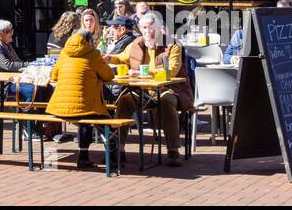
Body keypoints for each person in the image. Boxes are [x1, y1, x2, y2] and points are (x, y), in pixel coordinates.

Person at [113, 13, 193, 167]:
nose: (146, 32)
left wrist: (143, 73)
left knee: (166, 101)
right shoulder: (137, 43)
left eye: (150, 28)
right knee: (124, 101)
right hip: (143, 90)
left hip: (170, 88)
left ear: (159, 29)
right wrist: (106, 58)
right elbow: (121, 57)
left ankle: (173, 150)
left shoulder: (173, 45)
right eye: (143, 28)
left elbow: (173, 70)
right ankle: (119, 149)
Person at [45, 29, 115, 168]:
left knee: (84, 121)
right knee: (107, 121)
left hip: (59, 108)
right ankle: (113, 158)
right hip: (86, 107)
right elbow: (108, 76)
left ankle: (83, 157)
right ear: (88, 41)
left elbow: (54, 76)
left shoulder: (64, 53)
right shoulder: (94, 54)